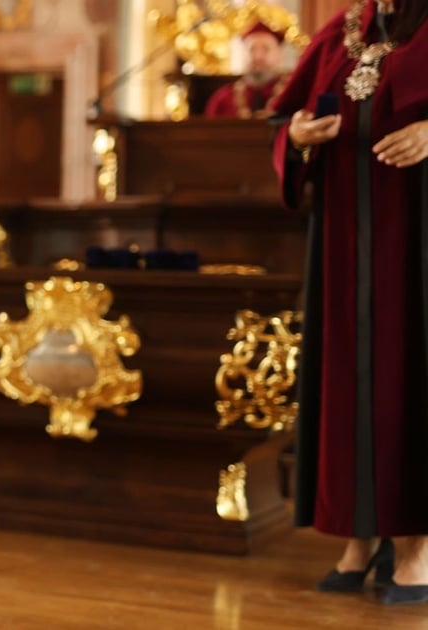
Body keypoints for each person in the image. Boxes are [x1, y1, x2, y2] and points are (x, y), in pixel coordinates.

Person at [270, 0, 428, 604]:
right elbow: (285, 119)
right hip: (345, 235)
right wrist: (296, 135)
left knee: (410, 374)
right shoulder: (340, 30)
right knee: (353, 381)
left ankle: (417, 544)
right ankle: (361, 536)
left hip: (415, 233)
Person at [205, 21, 291, 119]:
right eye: (252, 49)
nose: (258, 57)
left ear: (279, 54)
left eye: (266, 49)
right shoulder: (223, 99)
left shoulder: (291, 95)